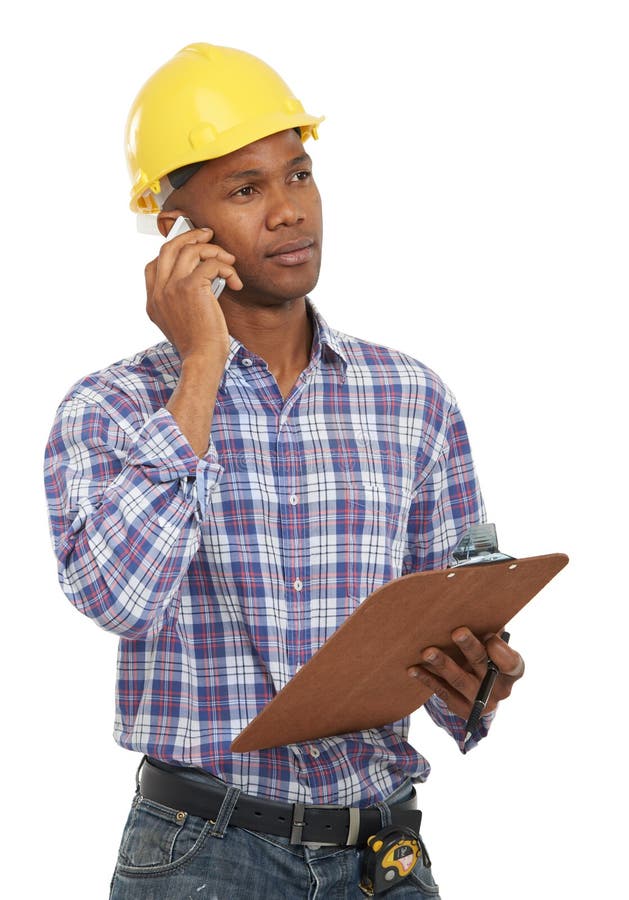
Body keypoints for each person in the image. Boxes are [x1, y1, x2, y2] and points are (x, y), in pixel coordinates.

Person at [44, 42, 525, 899]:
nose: (287, 212)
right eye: (244, 189)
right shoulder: (109, 409)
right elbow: (115, 597)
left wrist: (478, 679)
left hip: (383, 856)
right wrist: (200, 366)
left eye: (297, 176)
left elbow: (454, 626)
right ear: (176, 228)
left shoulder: (410, 397)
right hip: (200, 857)